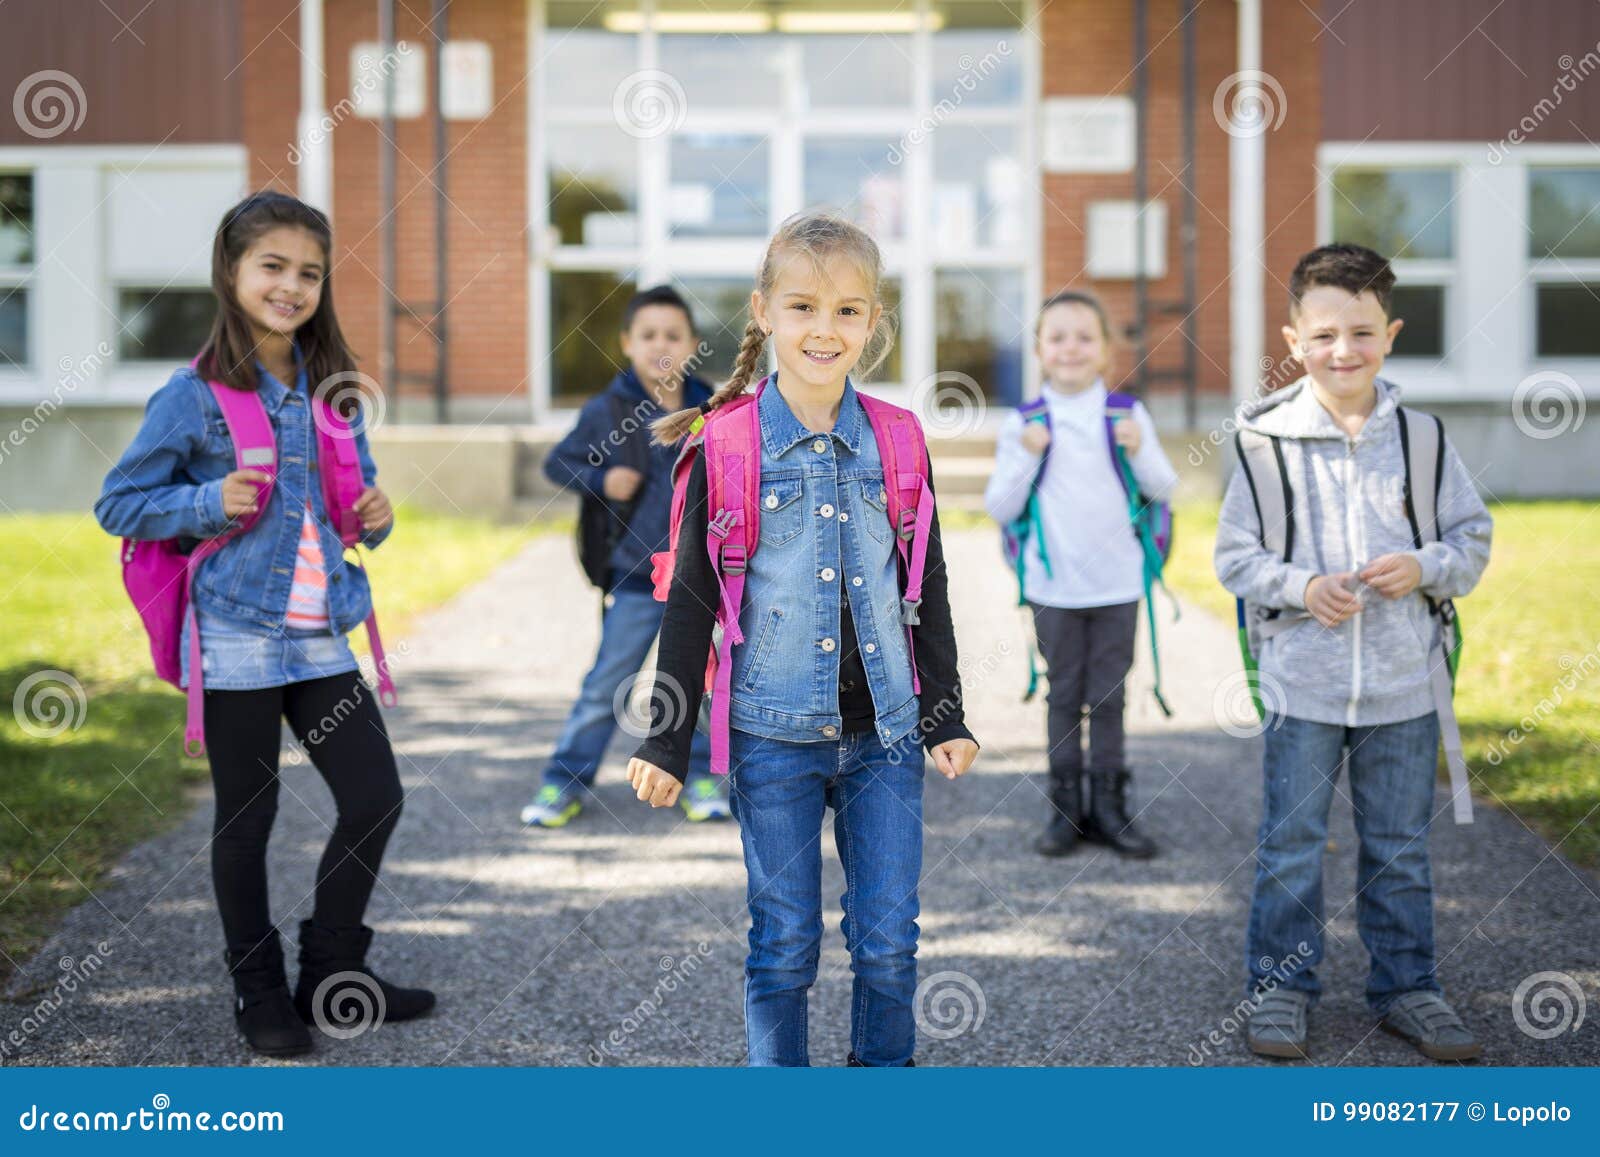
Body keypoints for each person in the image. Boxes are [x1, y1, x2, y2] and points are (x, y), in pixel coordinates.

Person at [625, 212, 980, 1066]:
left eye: (849, 310)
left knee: (889, 942)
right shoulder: (727, 443)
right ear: (764, 312)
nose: (826, 329)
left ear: (874, 320)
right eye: (803, 306)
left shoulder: (899, 437)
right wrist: (667, 738)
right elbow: (692, 599)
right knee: (783, 942)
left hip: (886, 735)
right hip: (770, 734)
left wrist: (946, 711)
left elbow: (925, 582)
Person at [94, 191, 433, 1058]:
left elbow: (350, 510)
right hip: (236, 637)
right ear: (231, 271)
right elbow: (119, 503)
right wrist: (207, 500)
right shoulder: (193, 395)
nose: (291, 286)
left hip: (320, 635)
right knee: (248, 819)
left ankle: (332, 972)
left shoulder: (332, 392)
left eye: (309, 273)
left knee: (375, 798)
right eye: (272, 266)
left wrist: (376, 514)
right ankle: (258, 988)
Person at [1214, 243, 1493, 1062]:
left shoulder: (1423, 439)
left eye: (1363, 332)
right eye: (1325, 334)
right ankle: (1280, 986)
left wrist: (1424, 565)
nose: (1345, 350)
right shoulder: (1263, 441)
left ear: (1391, 335)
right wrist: (1300, 586)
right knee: (1292, 843)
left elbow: (1472, 541)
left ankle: (1408, 987)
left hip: (1405, 687)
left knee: (1399, 848)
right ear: (1294, 340)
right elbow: (1234, 557)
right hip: (1302, 685)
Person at [519, 286, 726, 827]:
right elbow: (557, 463)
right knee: (607, 684)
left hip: (702, 577)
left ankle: (700, 777)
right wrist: (602, 479)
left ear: (693, 345)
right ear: (627, 343)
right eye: (648, 335)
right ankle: (563, 781)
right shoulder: (607, 409)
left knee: (703, 683)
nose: (661, 345)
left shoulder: (713, 409)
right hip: (636, 574)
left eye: (673, 335)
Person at [984, 290, 1179, 859]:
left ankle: (1111, 811)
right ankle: (1065, 812)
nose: (1071, 348)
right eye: (1057, 337)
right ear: (1039, 350)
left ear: (1106, 351)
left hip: (1119, 585)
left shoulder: (1126, 415)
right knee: (1064, 696)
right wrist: (1027, 454)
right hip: (1054, 588)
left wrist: (1139, 450)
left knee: (1111, 697)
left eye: (1085, 338)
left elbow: (1165, 487)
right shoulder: (1024, 423)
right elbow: (1000, 507)